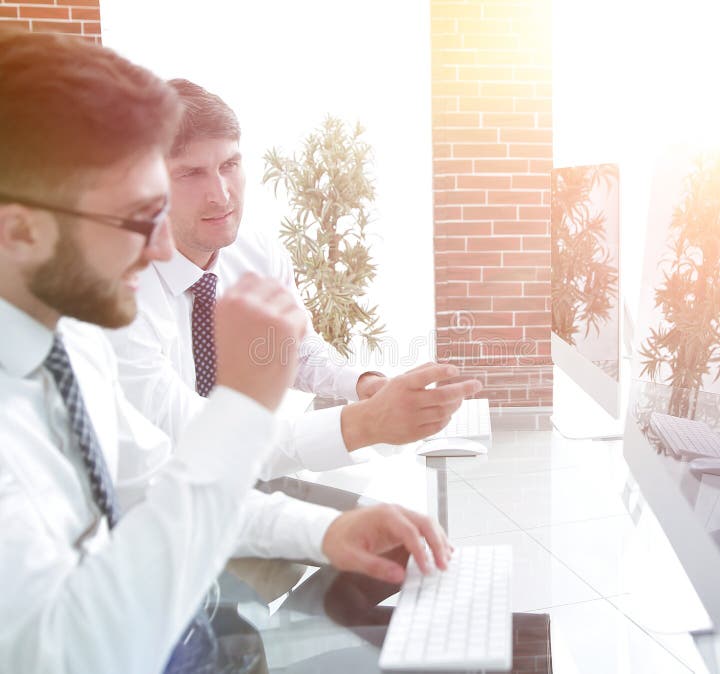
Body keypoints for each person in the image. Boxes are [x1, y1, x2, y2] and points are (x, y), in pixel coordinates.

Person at [0, 30, 450, 674]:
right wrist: (247, 404)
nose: (160, 252)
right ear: (19, 230)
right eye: (133, 220)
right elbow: (72, 655)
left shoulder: (71, 341)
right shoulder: (94, 335)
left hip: (190, 597)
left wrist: (324, 533)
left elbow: (158, 484)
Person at [106, 79, 481, 478]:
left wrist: (363, 384)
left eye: (229, 165)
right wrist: (365, 422)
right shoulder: (116, 288)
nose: (221, 195)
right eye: (190, 173)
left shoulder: (256, 251)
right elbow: (192, 435)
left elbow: (292, 348)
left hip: (244, 484)